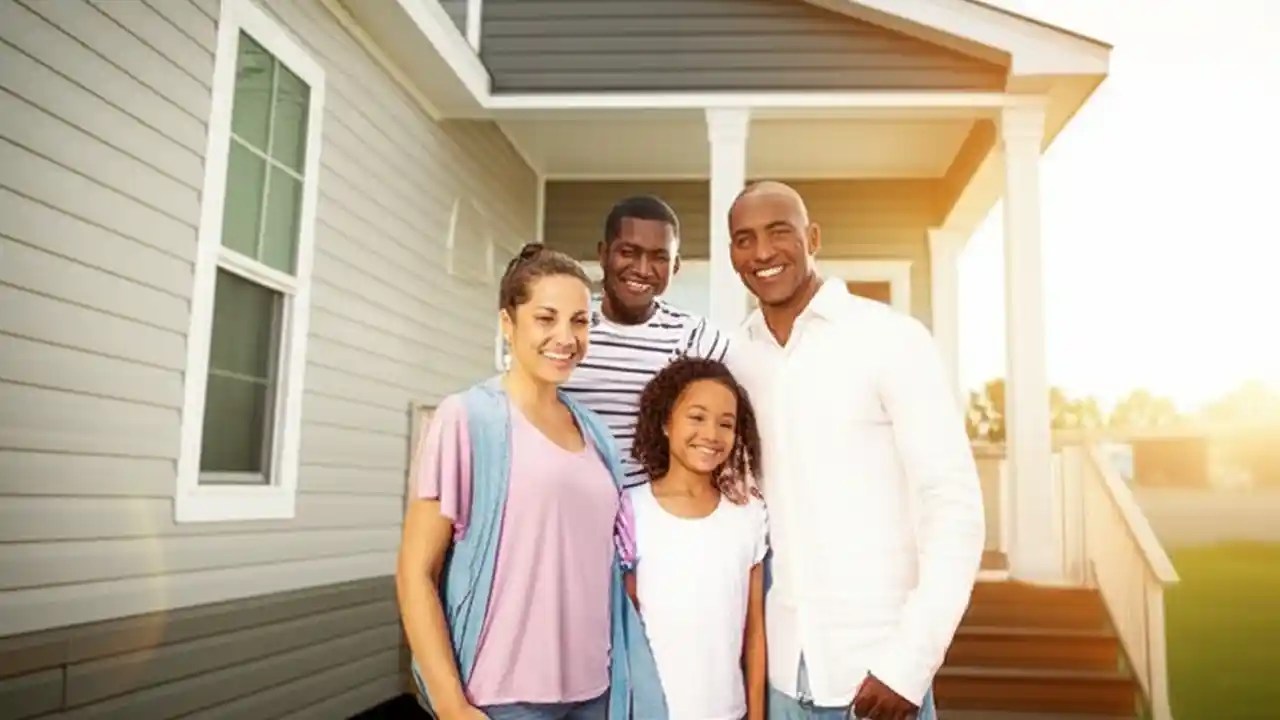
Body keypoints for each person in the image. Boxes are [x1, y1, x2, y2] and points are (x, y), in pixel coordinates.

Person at [724, 182, 985, 720]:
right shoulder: (736, 359)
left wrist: (911, 662)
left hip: (877, 675)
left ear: (812, 237)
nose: (763, 253)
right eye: (744, 239)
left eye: (779, 232)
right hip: (778, 679)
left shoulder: (891, 339)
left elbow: (952, 505)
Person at [396, 243, 666, 720]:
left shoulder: (594, 433)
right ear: (508, 321)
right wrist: (452, 704)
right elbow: (416, 571)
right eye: (546, 318)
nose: (565, 337)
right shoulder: (468, 418)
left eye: (579, 321)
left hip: (595, 688)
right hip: (501, 697)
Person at [619, 356, 769, 720]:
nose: (711, 434)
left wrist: (756, 714)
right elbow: (622, 627)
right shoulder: (631, 510)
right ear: (667, 422)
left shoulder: (747, 515)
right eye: (697, 417)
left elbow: (754, 632)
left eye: (726, 423)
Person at [563, 195, 730, 488]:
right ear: (603, 254)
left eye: (659, 257)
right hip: (568, 510)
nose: (642, 269)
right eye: (628, 252)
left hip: (650, 520)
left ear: (675, 266)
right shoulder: (568, 327)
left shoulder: (695, 338)